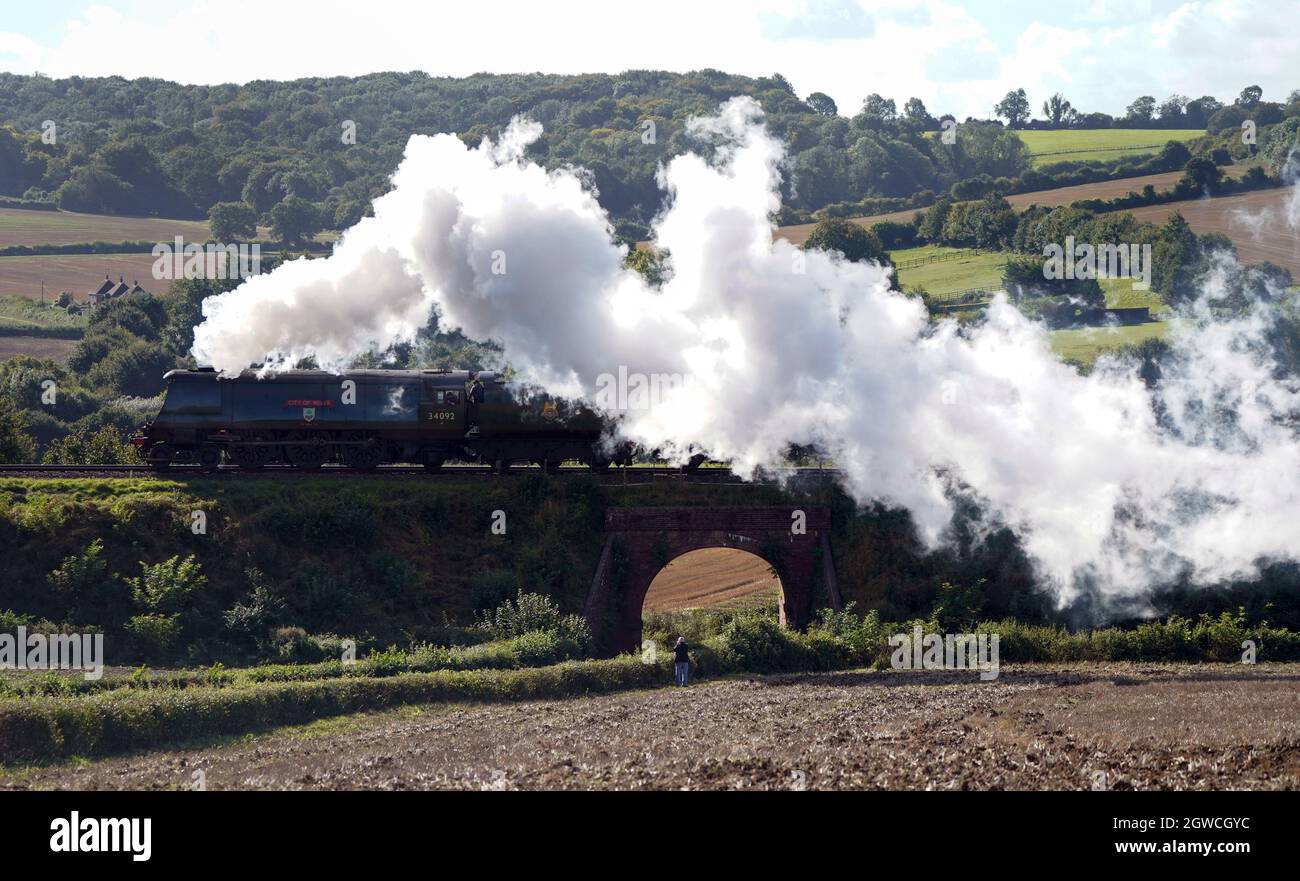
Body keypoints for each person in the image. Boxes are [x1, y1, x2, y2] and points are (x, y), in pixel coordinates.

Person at [465, 373, 486, 438]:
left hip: (476, 402)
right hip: (482, 402)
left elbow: (470, 394)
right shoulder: (481, 386)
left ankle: (473, 423)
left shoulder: (474, 387)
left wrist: (468, 400)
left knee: (473, 412)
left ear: (474, 383)